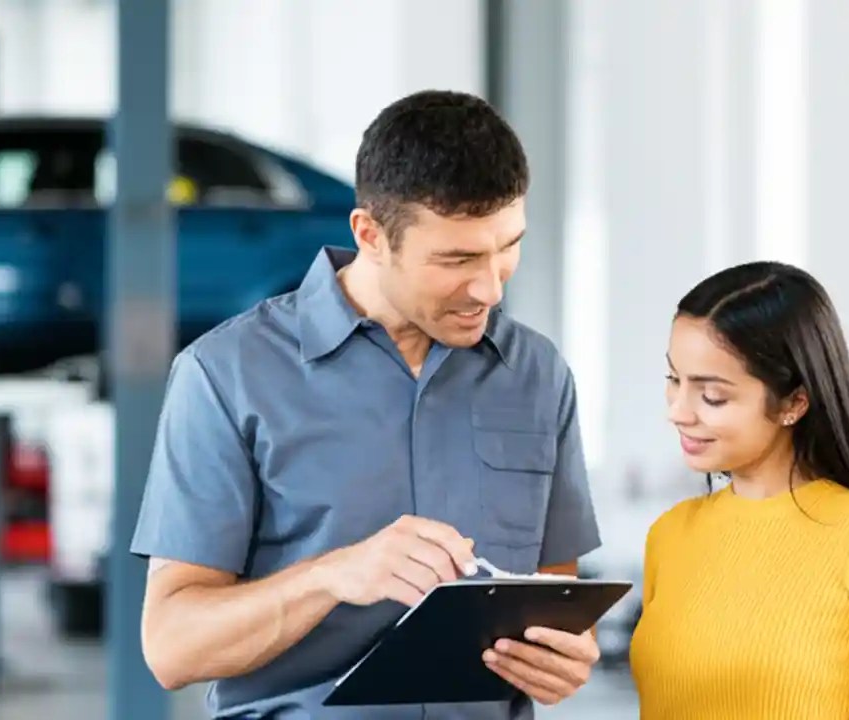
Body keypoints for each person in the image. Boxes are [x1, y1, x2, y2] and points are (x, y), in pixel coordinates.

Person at [128, 90, 603, 719]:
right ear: (371, 234)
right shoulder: (224, 376)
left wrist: (563, 656)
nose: (489, 286)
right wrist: (334, 576)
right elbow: (172, 648)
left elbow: (551, 600)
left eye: (506, 247)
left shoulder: (537, 375)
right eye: (457, 260)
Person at [629, 262, 849, 718]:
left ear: (794, 402)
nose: (678, 412)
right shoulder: (669, 535)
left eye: (712, 396)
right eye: (673, 380)